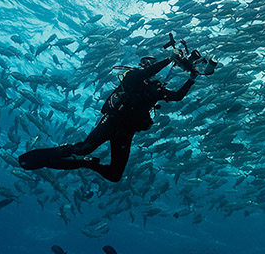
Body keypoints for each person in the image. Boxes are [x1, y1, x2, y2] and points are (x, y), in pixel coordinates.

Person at [18, 45, 215, 182]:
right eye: (147, 64)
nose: (148, 67)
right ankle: (55, 156)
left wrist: (191, 78)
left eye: (150, 65)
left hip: (126, 132)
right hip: (112, 122)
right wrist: (168, 59)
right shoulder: (132, 76)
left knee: (114, 175)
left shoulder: (156, 89)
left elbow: (177, 96)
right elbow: (144, 74)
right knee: (83, 148)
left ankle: (87, 164)